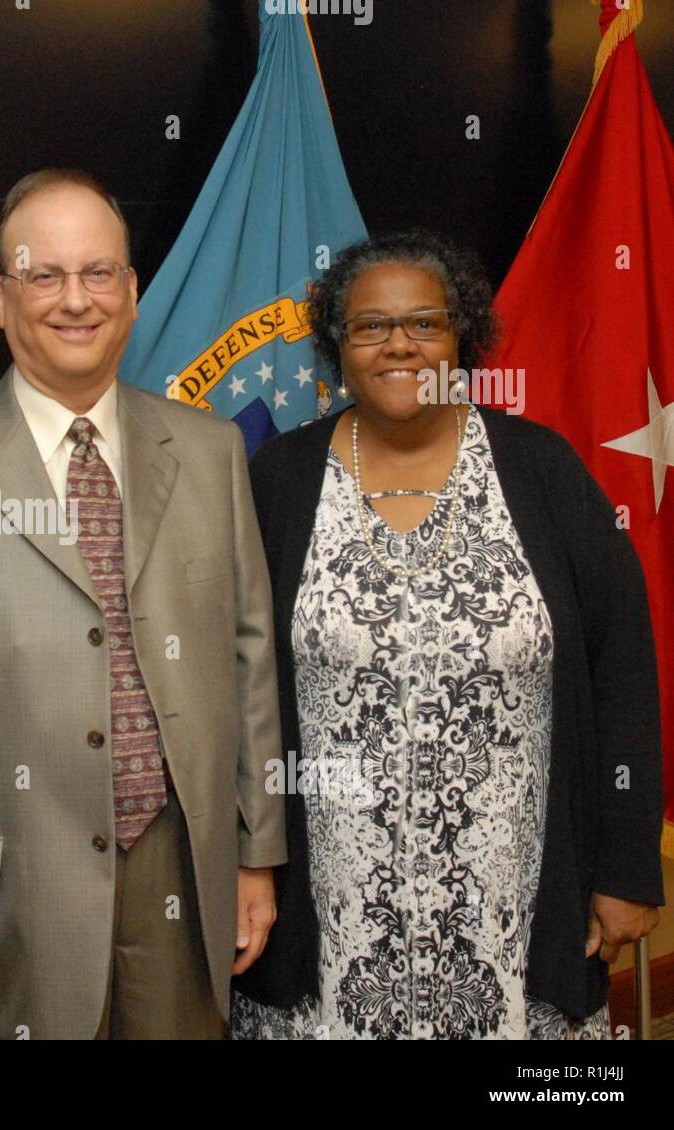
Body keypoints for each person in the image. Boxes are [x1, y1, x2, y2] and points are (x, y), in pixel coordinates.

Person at [232, 230, 663, 1039]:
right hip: (327, 922)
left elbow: (624, 668)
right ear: (336, 343)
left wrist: (627, 862)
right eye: (370, 326)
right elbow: (233, 677)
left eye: (425, 323)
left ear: (462, 336)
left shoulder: (541, 469)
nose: (399, 344)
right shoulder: (279, 481)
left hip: (518, 919)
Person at [0, 169, 284, 1040]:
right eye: (44, 275)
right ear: (0, 298)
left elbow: (250, 660)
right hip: (3, 902)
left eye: (99, 272)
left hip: (186, 878)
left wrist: (256, 854)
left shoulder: (214, 452)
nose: (76, 300)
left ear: (133, 293)